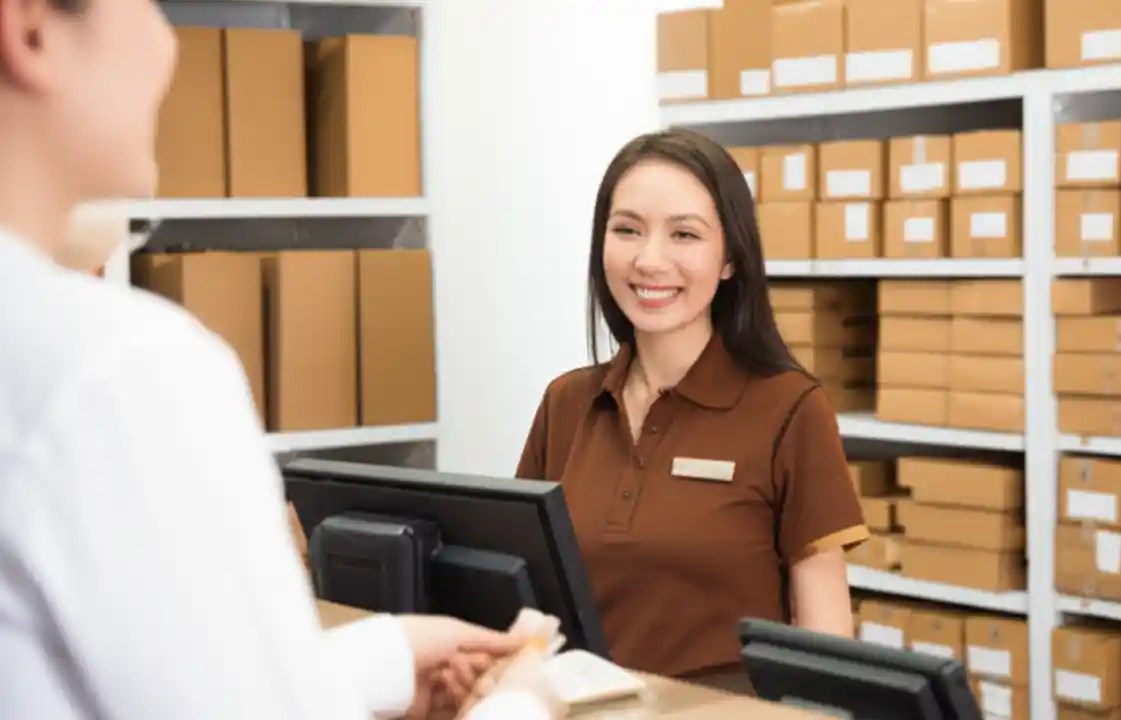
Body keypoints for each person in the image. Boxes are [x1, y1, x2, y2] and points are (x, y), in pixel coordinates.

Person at [0, 0, 559, 718]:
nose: (168, 47)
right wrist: (519, 705)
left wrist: (379, 659)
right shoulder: (120, 372)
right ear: (31, 28)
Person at [516, 129, 868, 686]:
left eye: (684, 234)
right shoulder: (566, 403)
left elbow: (825, 638)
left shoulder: (790, 408)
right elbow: (526, 600)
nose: (649, 260)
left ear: (730, 259)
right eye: (627, 230)